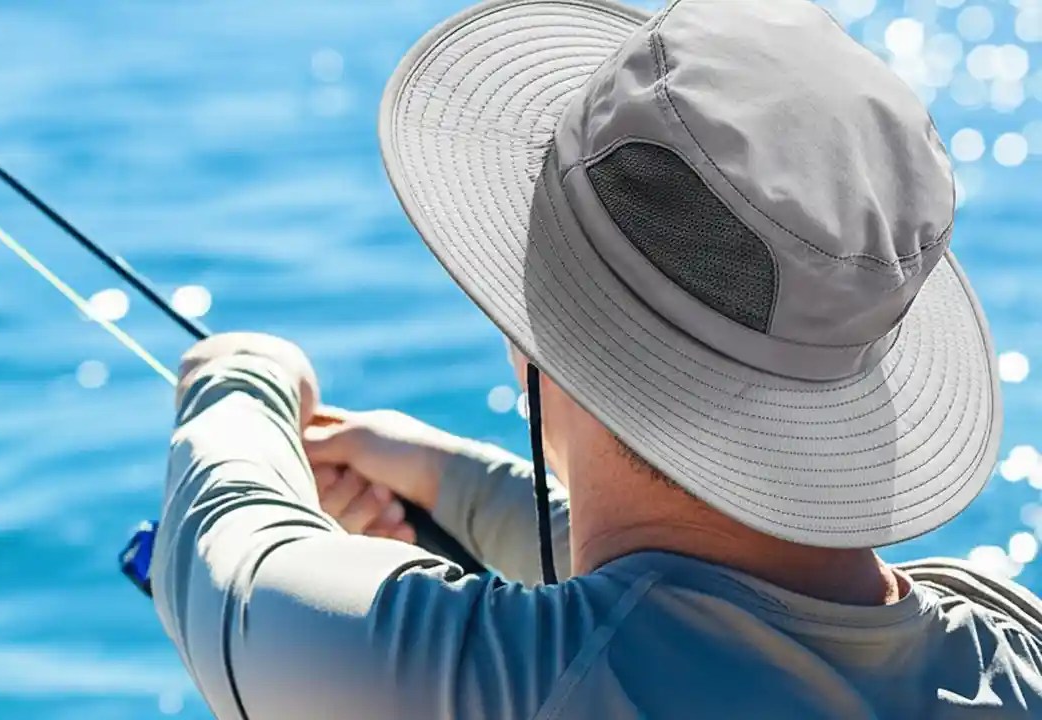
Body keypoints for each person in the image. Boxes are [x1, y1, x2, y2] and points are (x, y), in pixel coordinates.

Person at [150, 0, 1042, 717]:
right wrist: (441, 480)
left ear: (535, 324)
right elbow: (715, 613)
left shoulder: (495, 688)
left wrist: (243, 371)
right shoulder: (1007, 640)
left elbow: (222, 569)